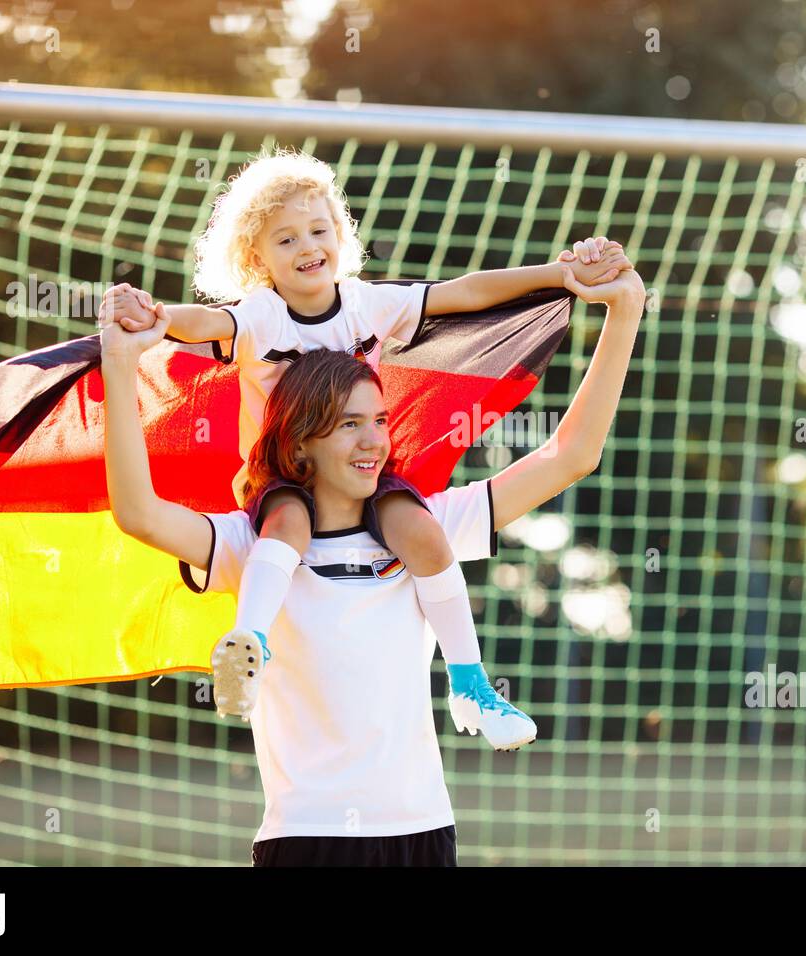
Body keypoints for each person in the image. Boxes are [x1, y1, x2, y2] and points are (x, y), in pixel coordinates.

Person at [99, 250, 645, 866]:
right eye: (348, 424)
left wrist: (624, 313)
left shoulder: (424, 529)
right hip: (306, 839)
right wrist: (120, 364)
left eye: (380, 420)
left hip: (421, 833)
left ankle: (475, 687)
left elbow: (569, 457)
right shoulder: (254, 547)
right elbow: (138, 513)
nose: (374, 441)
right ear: (301, 442)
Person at [97, 146, 632, 748]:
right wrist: (156, 314)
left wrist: (558, 276)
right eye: (286, 239)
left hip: (366, 476)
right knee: (288, 525)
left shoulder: (366, 303)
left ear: (340, 235)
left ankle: (471, 684)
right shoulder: (262, 316)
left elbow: (464, 291)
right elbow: (203, 324)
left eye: (319, 230)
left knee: (424, 533)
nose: (308, 247)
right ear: (256, 258)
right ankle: (249, 645)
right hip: (281, 476)